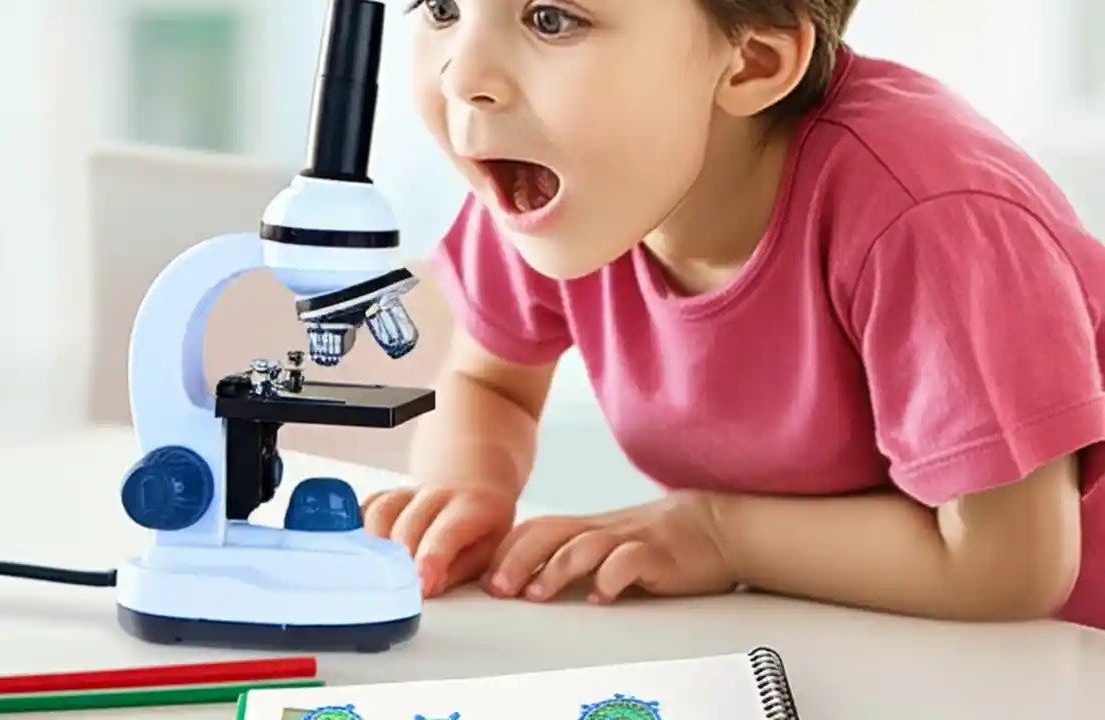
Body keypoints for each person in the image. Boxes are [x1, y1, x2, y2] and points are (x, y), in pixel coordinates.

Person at [360, 0, 1105, 631]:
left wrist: (719, 534)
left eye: (551, 19)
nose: (467, 77)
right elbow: (491, 383)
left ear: (751, 63)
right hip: (871, 636)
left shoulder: (929, 216)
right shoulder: (556, 175)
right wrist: (467, 487)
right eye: (441, 6)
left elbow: (1014, 566)